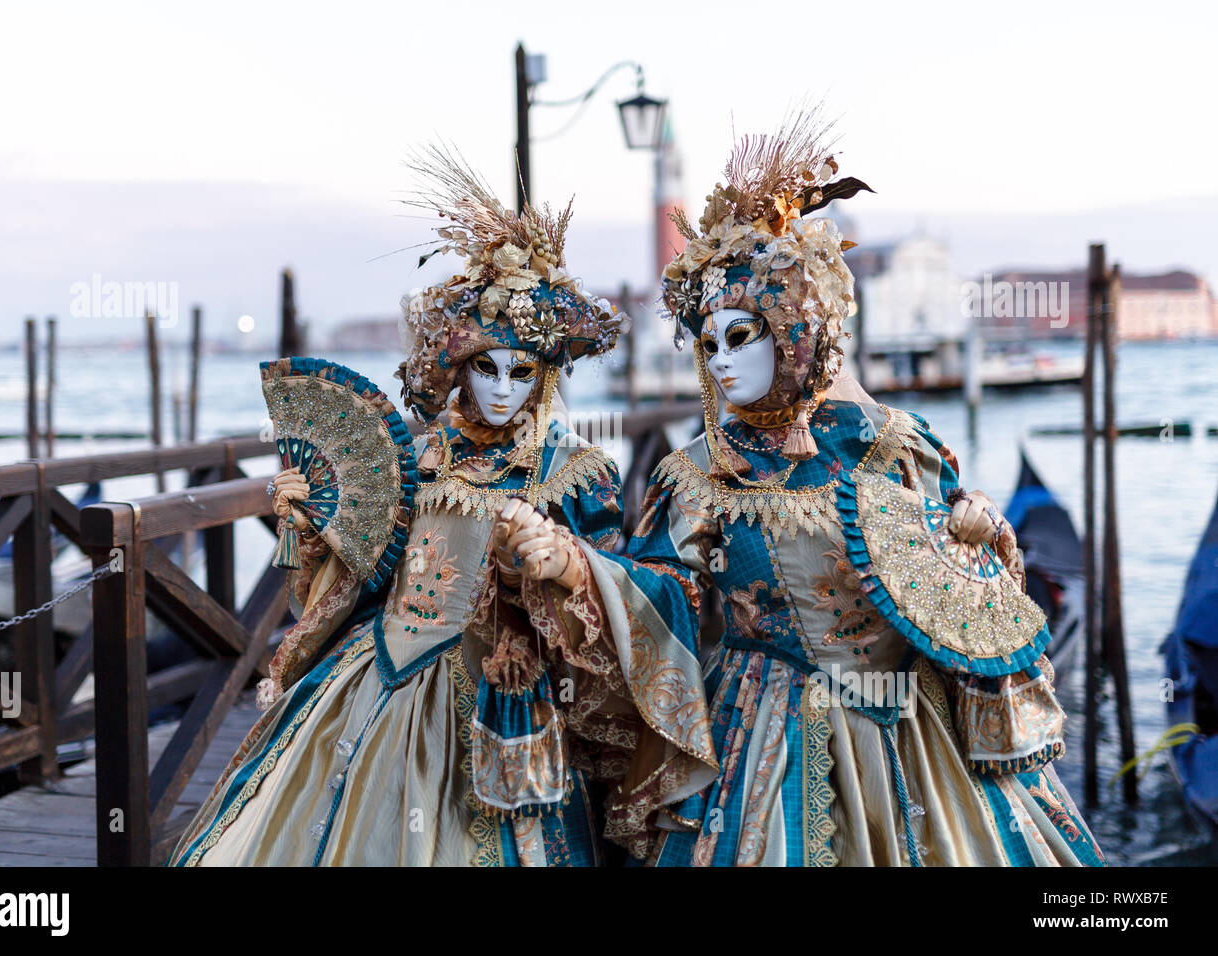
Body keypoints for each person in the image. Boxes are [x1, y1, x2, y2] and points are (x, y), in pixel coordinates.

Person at [497, 115, 1103, 866]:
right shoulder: (698, 476)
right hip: (763, 742)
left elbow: (966, 596)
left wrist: (978, 533)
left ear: (793, 332)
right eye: (707, 342)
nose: (719, 363)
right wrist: (576, 568)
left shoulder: (892, 444)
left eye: (740, 336)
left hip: (910, 729)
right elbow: (669, 599)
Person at [168, 149, 713, 866]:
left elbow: (615, 602)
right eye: (484, 367)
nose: (501, 389)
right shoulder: (420, 459)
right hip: (376, 683)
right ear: (457, 369)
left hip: (497, 698)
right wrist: (309, 527)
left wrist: (559, 568)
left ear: (546, 375)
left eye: (522, 372)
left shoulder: (573, 473)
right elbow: (371, 577)